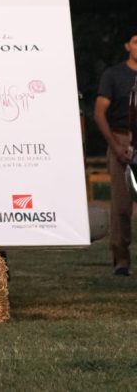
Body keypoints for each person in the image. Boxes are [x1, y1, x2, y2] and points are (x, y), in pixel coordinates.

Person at [92, 28, 137, 277]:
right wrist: (115, 145)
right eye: (136, 41)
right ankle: (121, 260)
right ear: (127, 46)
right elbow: (100, 113)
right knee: (121, 205)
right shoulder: (114, 75)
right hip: (121, 138)